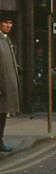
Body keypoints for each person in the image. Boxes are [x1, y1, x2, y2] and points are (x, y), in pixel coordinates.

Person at [0, 11, 22, 152]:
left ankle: (0, 141)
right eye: (5, 22)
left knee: (2, 116)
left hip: (6, 86)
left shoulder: (6, 39)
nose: (8, 25)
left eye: (10, 23)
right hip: (1, 87)